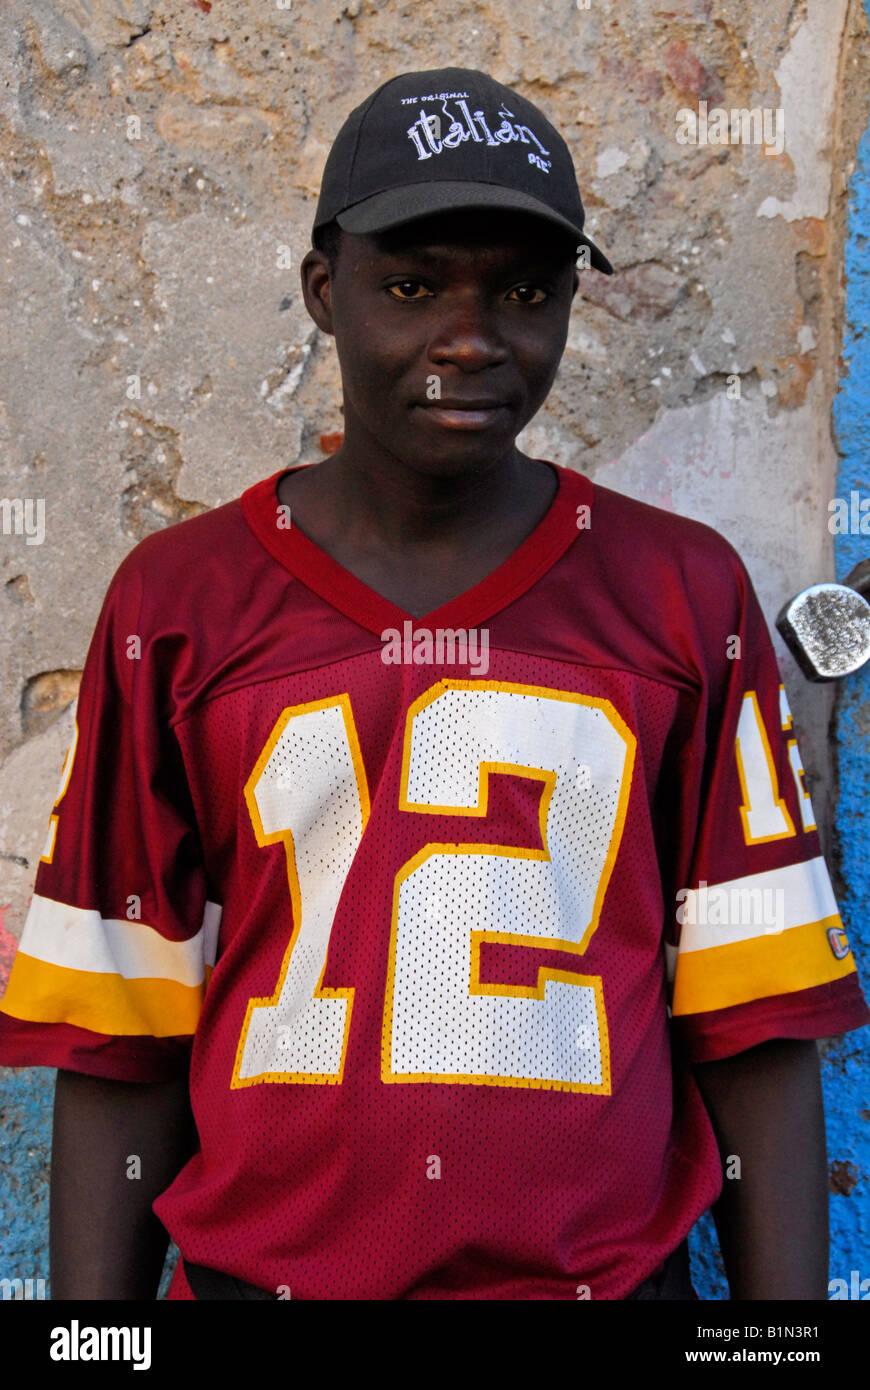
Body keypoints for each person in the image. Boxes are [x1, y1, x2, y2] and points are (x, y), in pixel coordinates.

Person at [0, 66, 867, 1302]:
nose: (470, 339)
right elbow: (119, 1038)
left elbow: (754, 1028)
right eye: (413, 288)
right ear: (325, 290)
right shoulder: (181, 603)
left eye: (523, 292)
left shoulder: (679, 593)